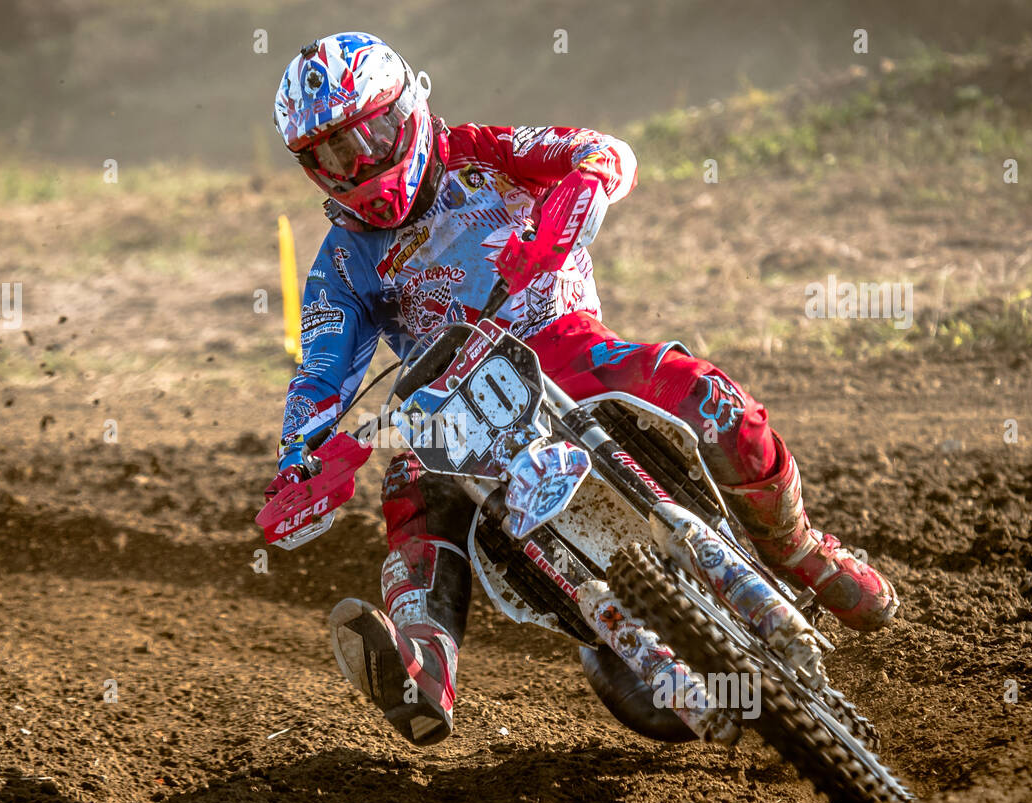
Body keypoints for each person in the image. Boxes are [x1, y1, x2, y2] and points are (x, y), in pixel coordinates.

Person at [265, 32, 897, 746]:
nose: (355, 166)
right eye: (329, 156)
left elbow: (603, 151)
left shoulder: (486, 150)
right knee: (409, 492)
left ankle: (801, 549)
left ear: (407, 109)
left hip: (564, 346)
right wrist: (302, 455)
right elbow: (320, 366)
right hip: (451, 414)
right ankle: (421, 668)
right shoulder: (342, 261)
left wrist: (571, 202)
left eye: (368, 137)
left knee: (711, 397)